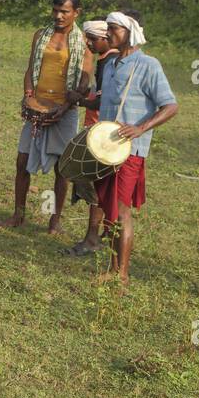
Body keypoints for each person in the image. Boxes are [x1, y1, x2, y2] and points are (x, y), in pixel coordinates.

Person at [93, 10, 178, 288]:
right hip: (105, 147)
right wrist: (81, 101)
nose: (108, 34)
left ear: (130, 31)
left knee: (121, 208)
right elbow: (104, 102)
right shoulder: (109, 65)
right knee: (109, 206)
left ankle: (123, 274)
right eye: (107, 29)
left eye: (114, 29)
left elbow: (170, 105)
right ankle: (114, 266)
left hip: (130, 150)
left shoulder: (149, 65)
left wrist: (141, 128)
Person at [0, 0, 93, 233]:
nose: (59, 16)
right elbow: (31, 69)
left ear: (76, 13)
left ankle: (55, 220)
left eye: (65, 12)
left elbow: (84, 82)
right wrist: (28, 97)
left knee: (62, 168)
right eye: (55, 10)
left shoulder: (84, 42)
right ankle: (18, 214)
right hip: (37, 109)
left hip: (65, 112)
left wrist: (65, 106)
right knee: (21, 161)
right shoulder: (41, 35)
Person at [66, 18, 117, 256]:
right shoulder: (105, 60)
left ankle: (92, 237)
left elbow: (101, 100)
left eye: (93, 39)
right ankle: (104, 232)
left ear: (107, 38)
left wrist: (78, 99)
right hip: (97, 125)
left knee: (94, 185)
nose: (89, 43)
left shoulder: (110, 62)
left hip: (100, 129)